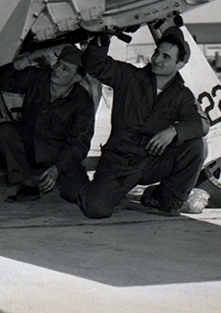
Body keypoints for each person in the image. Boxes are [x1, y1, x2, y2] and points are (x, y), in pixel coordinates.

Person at [78, 26, 209, 219]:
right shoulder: (128, 77)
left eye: (166, 57)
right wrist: (102, 40)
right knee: (95, 209)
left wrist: (173, 130)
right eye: (157, 53)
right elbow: (95, 64)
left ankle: (165, 198)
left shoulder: (182, 95)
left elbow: (202, 124)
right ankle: (89, 188)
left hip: (152, 160)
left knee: (196, 145)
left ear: (179, 64)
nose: (157, 60)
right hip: (120, 161)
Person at [0, 45, 95, 203]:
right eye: (58, 64)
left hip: (58, 152)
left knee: (77, 195)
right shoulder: (36, 77)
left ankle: (55, 178)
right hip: (29, 142)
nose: (57, 70)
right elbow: (1, 82)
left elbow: (79, 144)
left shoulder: (83, 102)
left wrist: (57, 168)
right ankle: (27, 185)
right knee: (4, 131)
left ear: (77, 78)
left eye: (65, 69)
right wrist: (14, 64)